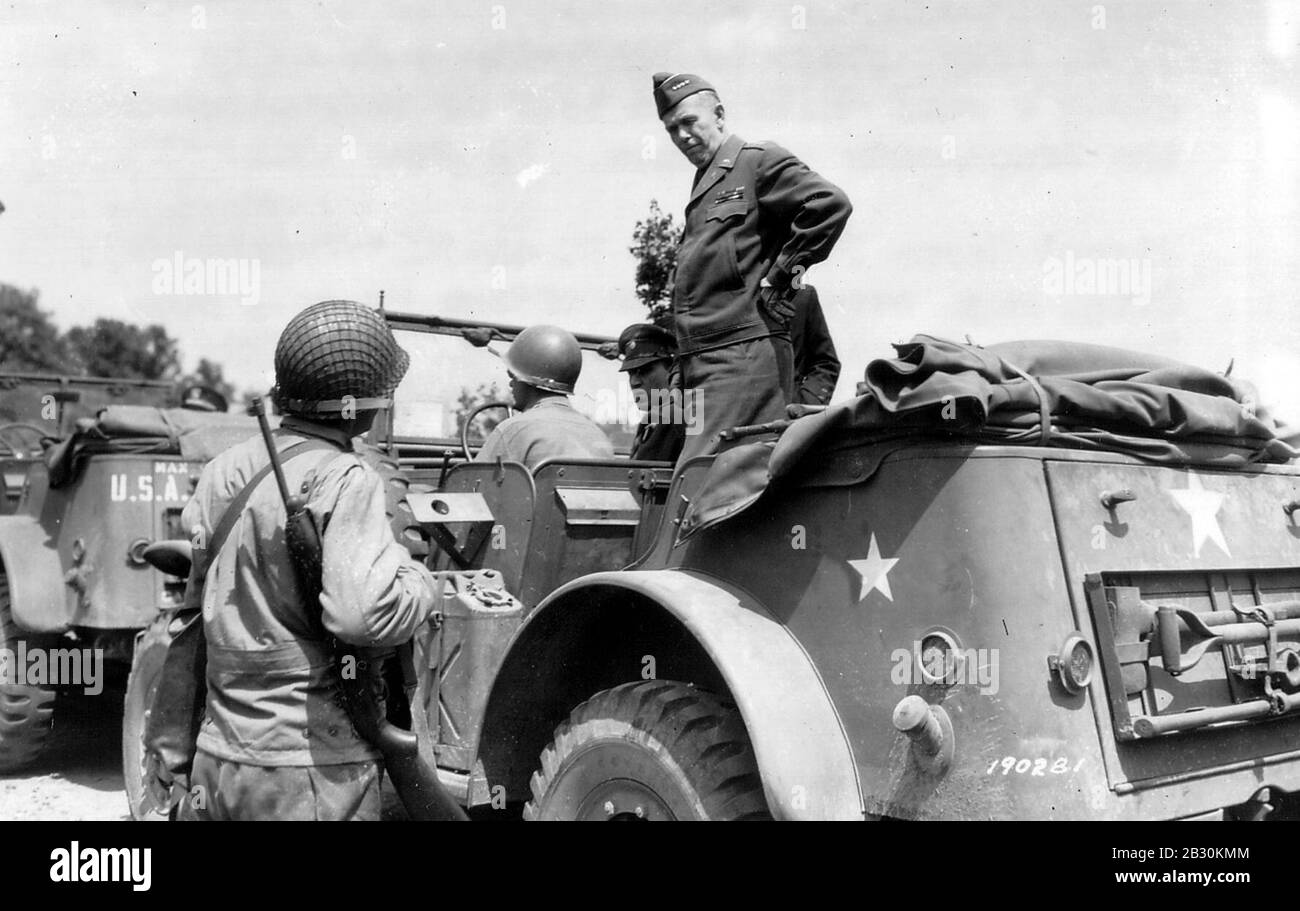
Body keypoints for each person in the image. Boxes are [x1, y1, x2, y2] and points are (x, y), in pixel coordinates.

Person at [178, 299, 436, 821]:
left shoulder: (222, 472)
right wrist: (419, 581)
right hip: (308, 770)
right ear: (358, 405)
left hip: (220, 758)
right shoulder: (347, 477)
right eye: (383, 392)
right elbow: (361, 616)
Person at [652, 71, 852, 463]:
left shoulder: (756, 161)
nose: (682, 136)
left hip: (741, 357)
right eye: (672, 129)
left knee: (702, 483)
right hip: (703, 362)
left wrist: (783, 279)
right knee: (702, 480)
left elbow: (829, 204)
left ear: (720, 115)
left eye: (690, 122)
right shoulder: (705, 184)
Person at [476, 324, 614, 469]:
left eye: (513, 375)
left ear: (525, 379)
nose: (511, 383)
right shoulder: (599, 436)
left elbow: (468, 484)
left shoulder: (513, 429)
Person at [618, 322, 686, 462]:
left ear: (671, 369)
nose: (634, 382)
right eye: (631, 373)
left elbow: (638, 479)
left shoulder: (665, 416)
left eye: (645, 370)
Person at [788, 285, 841, 406]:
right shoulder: (736, 299)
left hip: (786, 413)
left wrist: (808, 401)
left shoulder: (800, 296)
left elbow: (826, 363)